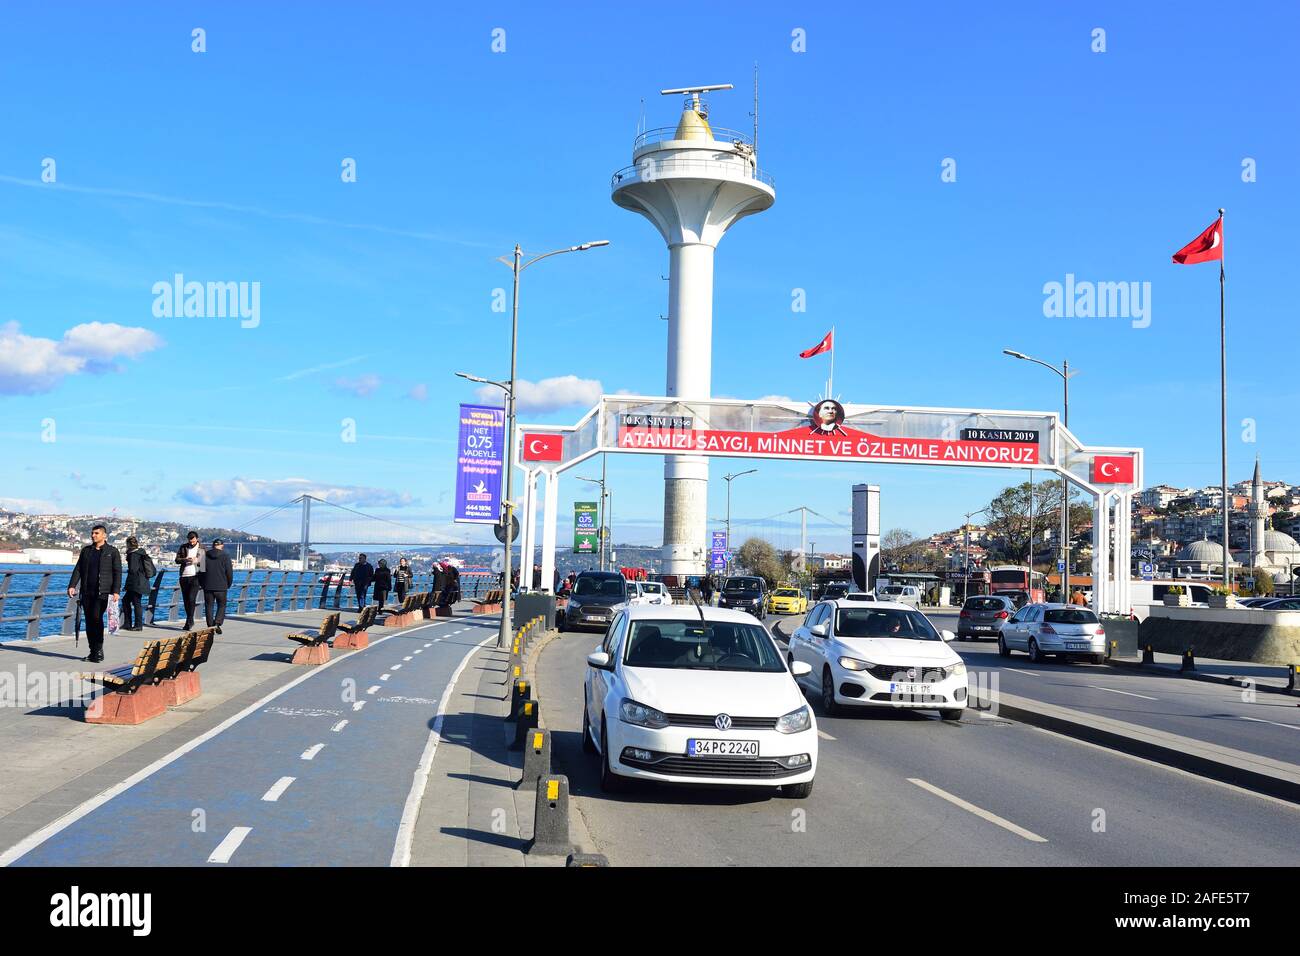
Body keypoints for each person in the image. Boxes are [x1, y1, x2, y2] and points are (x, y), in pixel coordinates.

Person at [67, 525, 122, 663]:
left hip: (103, 592)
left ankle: (98, 650)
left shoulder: (112, 551)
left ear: (104, 535)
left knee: (96, 619)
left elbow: (117, 572)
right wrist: (72, 585)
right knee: (89, 621)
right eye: (92, 533)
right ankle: (93, 651)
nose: (93, 535)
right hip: (86, 592)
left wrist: (116, 591)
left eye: (96, 533)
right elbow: (78, 568)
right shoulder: (86, 551)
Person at [175, 531, 206, 630]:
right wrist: (185, 559)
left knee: (191, 599)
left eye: (193, 541)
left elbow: (204, 566)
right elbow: (177, 560)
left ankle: (189, 620)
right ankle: (189, 619)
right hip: (184, 576)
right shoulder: (183, 547)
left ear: (197, 539)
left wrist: (197, 561)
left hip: (195, 577)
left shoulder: (202, 548)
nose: (191, 543)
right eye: (190, 541)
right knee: (186, 600)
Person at [121, 536, 154, 631]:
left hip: (135, 582)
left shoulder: (133, 555)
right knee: (130, 601)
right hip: (142, 581)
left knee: (134, 602)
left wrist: (127, 585)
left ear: (128, 544)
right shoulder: (141, 553)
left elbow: (133, 569)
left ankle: (136, 625)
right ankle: (131, 624)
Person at [202, 538, 234, 633]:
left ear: (213, 545)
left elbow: (200, 571)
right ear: (222, 545)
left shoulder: (204, 555)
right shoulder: (226, 556)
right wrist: (228, 583)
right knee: (222, 605)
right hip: (221, 586)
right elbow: (229, 572)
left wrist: (202, 583)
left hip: (207, 585)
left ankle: (210, 625)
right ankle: (217, 623)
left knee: (209, 606)